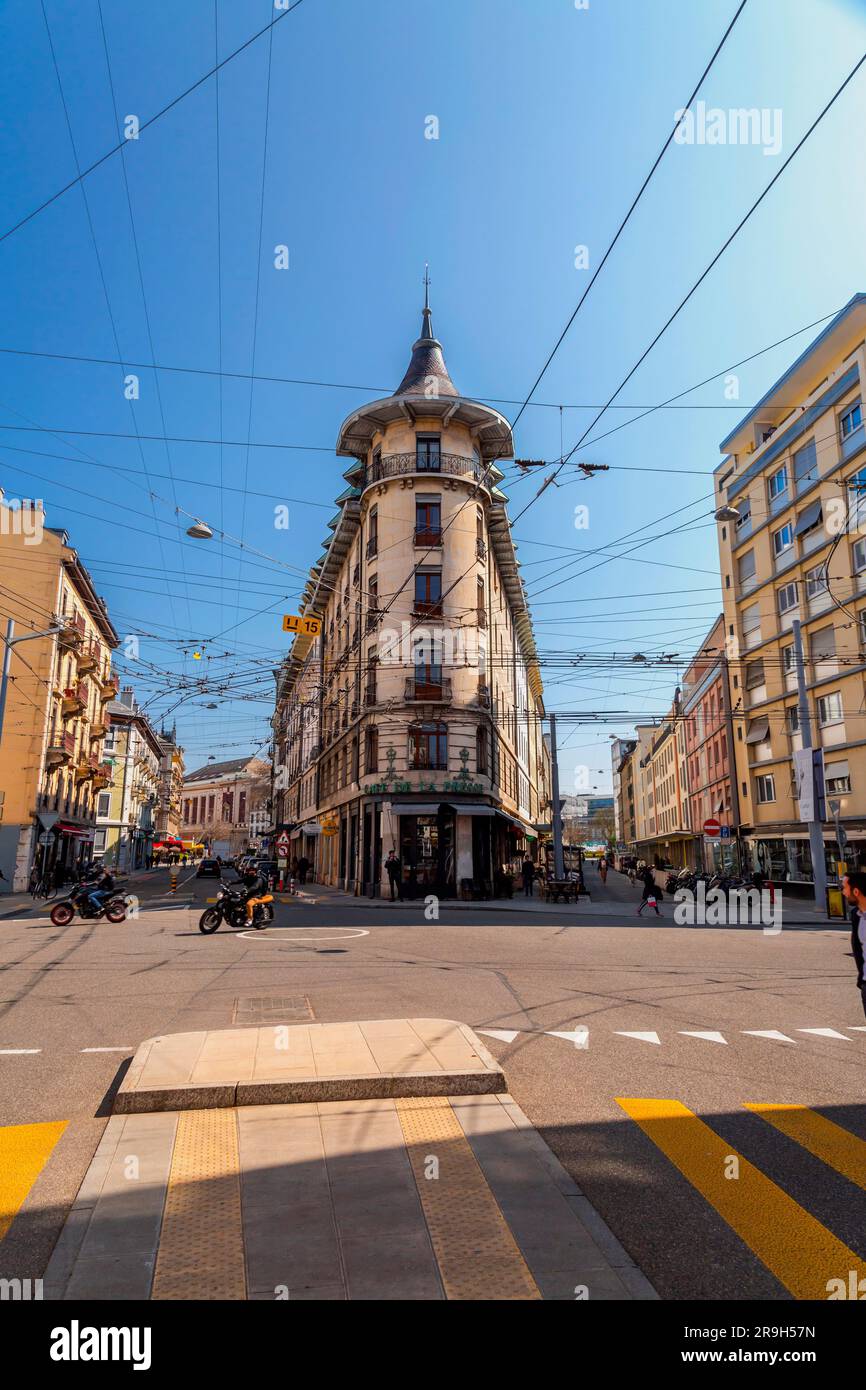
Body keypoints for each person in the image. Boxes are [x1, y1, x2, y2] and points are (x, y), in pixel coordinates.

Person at [842, 872, 866, 1019]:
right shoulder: (856, 916)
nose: (843, 892)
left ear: (856, 891)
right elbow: (858, 949)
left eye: (845, 888)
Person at [240, 863, 273, 927]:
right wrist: (230, 883)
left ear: (255, 870)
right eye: (250, 870)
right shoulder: (249, 877)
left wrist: (247, 890)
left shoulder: (258, 879)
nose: (251, 871)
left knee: (248, 904)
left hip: (256, 896)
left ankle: (250, 919)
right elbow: (240, 881)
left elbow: (255, 887)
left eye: (252, 870)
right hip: (249, 895)